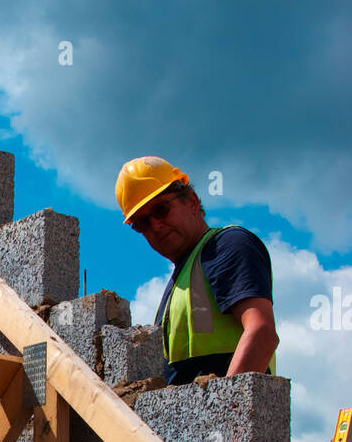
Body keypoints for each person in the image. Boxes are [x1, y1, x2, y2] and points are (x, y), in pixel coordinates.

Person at [115, 157, 278, 385]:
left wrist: (227, 411)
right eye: (142, 223)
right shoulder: (181, 280)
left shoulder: (226, 246)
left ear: (192, 202)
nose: (155, 226)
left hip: (228, 415)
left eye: (161, 210)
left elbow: (262, 332)